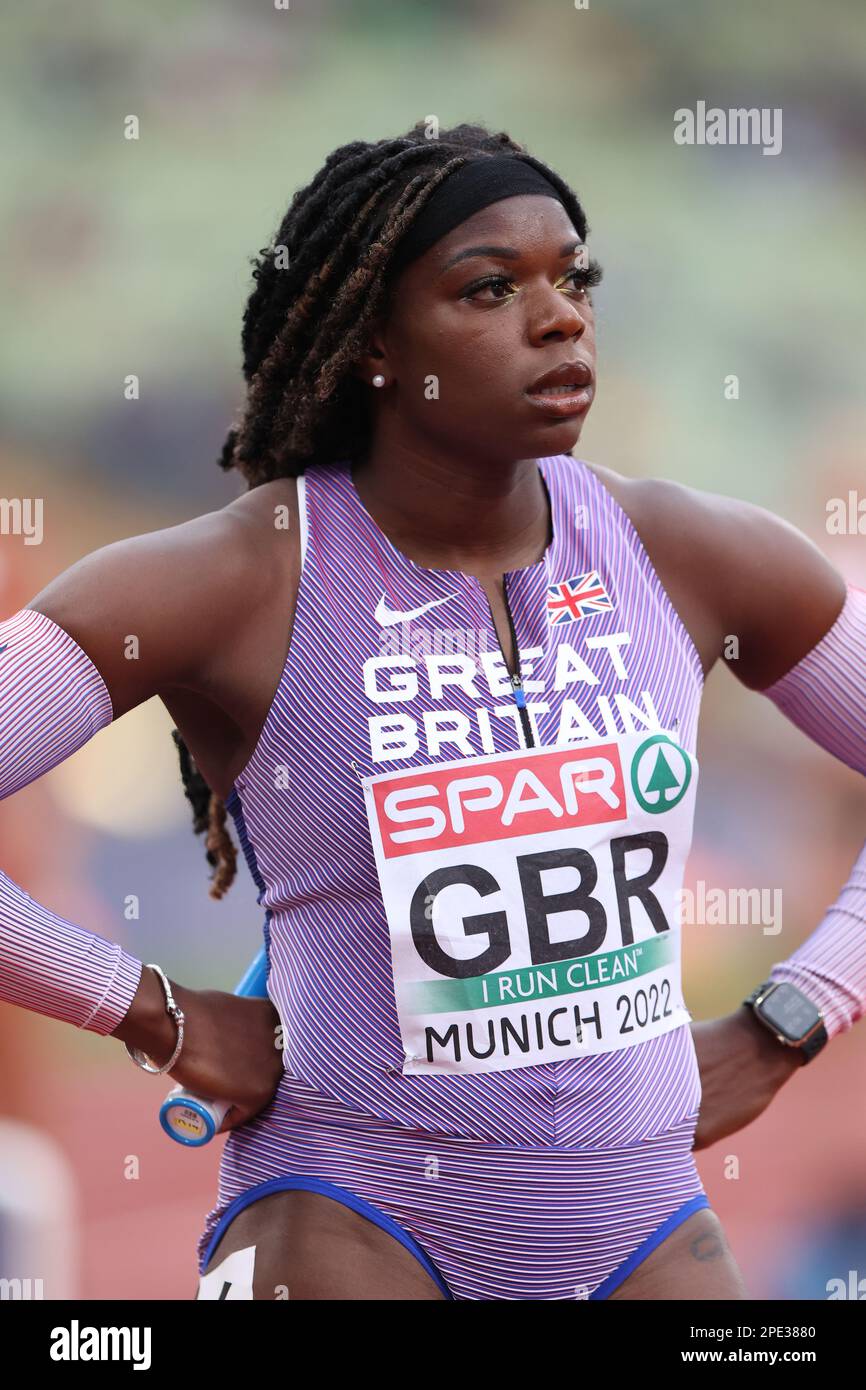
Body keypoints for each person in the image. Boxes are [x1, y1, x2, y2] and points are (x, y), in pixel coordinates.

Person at [1, 121, 864, 1302]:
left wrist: (790, 1015)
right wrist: (143, 1008)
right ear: (368, 341)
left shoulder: (689, 552)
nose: (558, 318)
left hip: (643, 1223)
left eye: (574, 278)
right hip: (353, 1214)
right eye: (489, 288)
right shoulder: (233, 581)